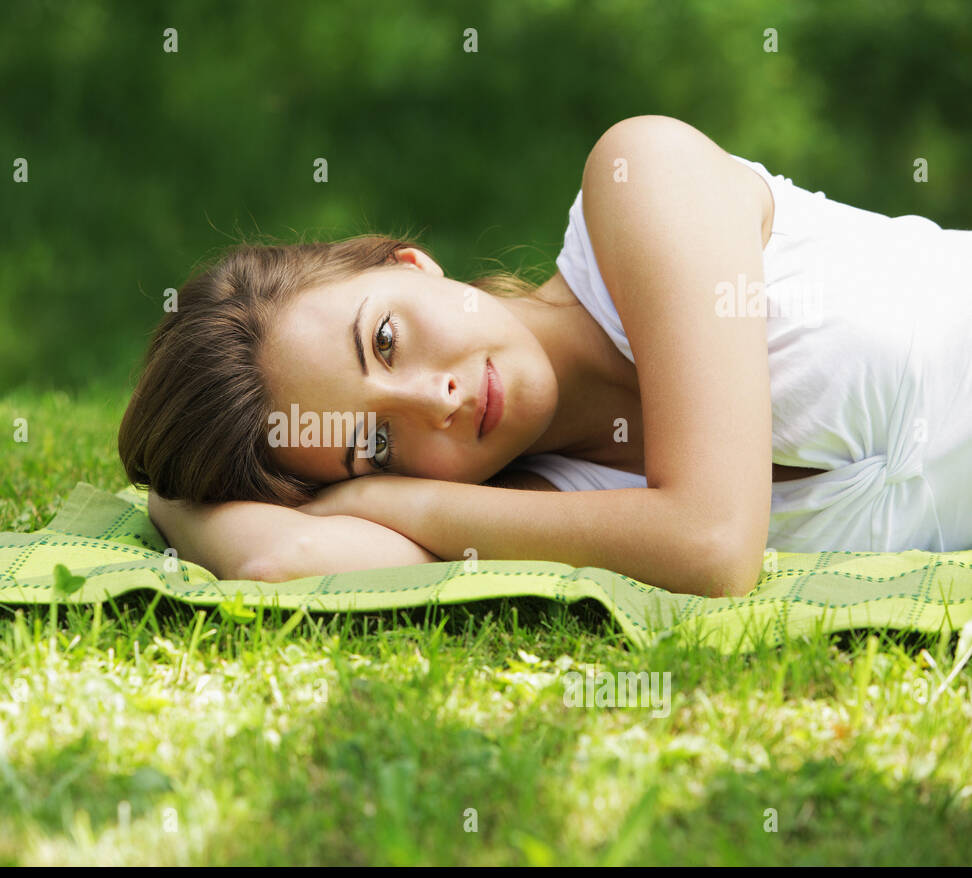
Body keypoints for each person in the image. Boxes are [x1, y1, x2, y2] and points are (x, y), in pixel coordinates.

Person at [117, 115, 972, 597]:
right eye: (373, 442)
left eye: (386, 339)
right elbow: (281, 561)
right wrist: (174, 500)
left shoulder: (641, 181)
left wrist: (391, 496)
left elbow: (713, 544)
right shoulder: (543, 514)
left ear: (406, 263)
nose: (434, 400)